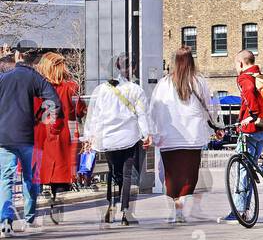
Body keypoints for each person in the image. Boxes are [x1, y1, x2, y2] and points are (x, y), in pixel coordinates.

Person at [146, 46, 218, 224]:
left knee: (171, 175)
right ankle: (181, 205)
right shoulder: (199, 82)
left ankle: (174, 207)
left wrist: (153, 132)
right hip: (193, 137)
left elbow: (154, 108)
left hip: (169, 138)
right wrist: (214, 126)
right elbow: (210, 107)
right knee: (189, 175)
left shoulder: (164, 83)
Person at [84, 54, 151, 227]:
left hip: (107, 140)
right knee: (127, 174)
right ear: (134, 69)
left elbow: (94, 116)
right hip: (128, 138)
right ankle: (125, 212)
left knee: (113, 173)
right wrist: (146, 134)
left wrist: (89, 136)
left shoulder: (101, 90)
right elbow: (142, 115)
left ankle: (110, 207)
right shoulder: (136, 90)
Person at [0, 49, 61, 236]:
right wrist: (41, 117)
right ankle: (29, 218)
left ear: (18, 56)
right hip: (27, 136)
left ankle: (5, 221)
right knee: (31, 177)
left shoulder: (3, 78)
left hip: (4, 136)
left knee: (5, 178)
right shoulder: (35, 78)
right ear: (34, 60)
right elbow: (54, 102)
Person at [223, 49, 263, 224]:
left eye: (236, 65)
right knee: (249, 169)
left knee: (241, 168)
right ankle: (244, 209)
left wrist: (252, 114)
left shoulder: (245, 77)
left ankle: (238, 211)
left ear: (241, 63)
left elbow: (249, 91)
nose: (236, 69)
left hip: (251, 130)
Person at [33, 52, 84, 219]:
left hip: (41, 136)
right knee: (61, 176)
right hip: (63, 137)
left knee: (39, 173)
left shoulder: (36, 87)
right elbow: (80, 109)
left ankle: (35, 209)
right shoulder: (71, 87)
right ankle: (57, 209)